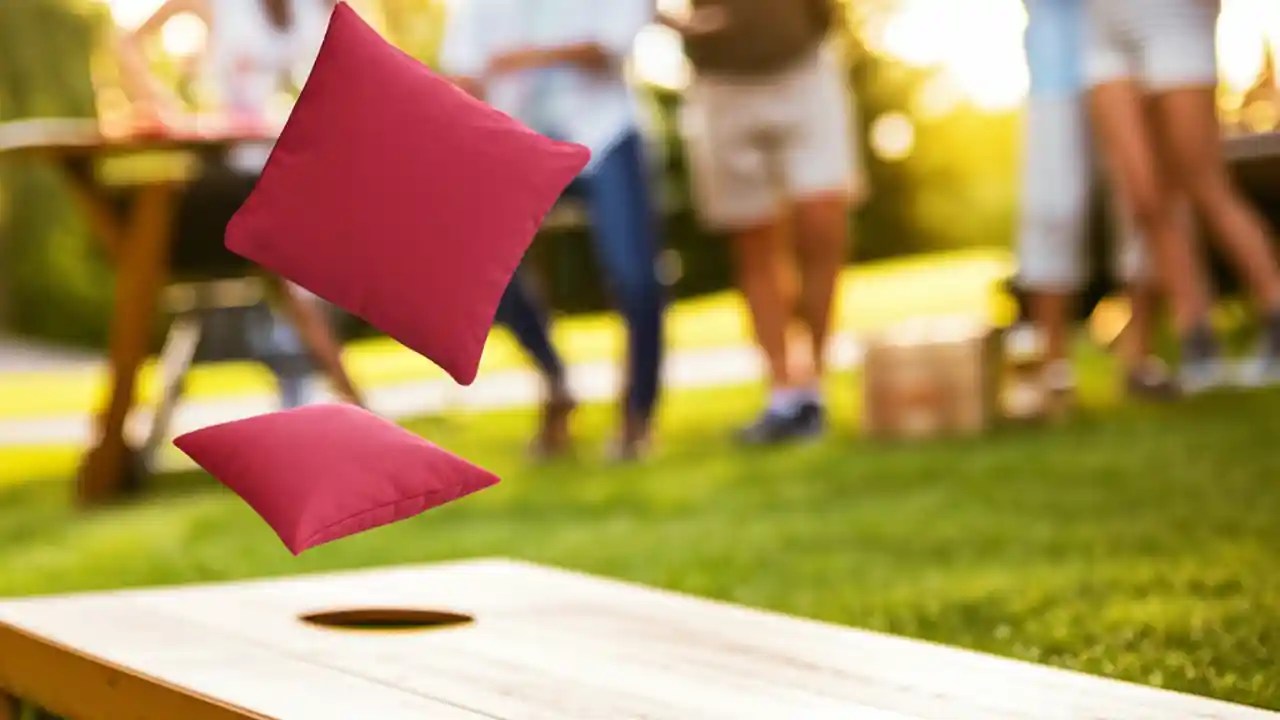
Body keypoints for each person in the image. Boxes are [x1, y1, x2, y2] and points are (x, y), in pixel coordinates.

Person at [441, 0, 664, 460]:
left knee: (636, 276)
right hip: (521, 143)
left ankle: (636, 417)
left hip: (604, 134)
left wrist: (527, 58)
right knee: (479, 269)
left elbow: (608, 48)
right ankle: (557, 382)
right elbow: (463, 77)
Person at [114, 0, 365, 409]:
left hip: (284, 165)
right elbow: (128, 41)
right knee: (288, 263)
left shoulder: (306, 13)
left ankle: (309, 370)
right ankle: (314, 376)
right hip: (229, 177)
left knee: (309, 255)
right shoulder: (219, 7)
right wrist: (161, 104)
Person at [661, 0, 864, 444]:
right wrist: (672, 20)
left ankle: (813, 382)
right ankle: (784, 393)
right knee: (754, 238)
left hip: (803, 60)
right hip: (720, 77)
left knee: (822, 222)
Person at [1085, 0, 1280, 391]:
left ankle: (1274, 312)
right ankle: (1197, 338)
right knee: (1145, 199)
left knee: (1204, 184)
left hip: (1172, 16)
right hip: (1101, 25)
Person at [1017, 0, 1175, 402]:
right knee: (1054, 209)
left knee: (1143, 202)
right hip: (1055, 68)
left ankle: (1139, 355)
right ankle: (1054, 364)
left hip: (1133, 60)